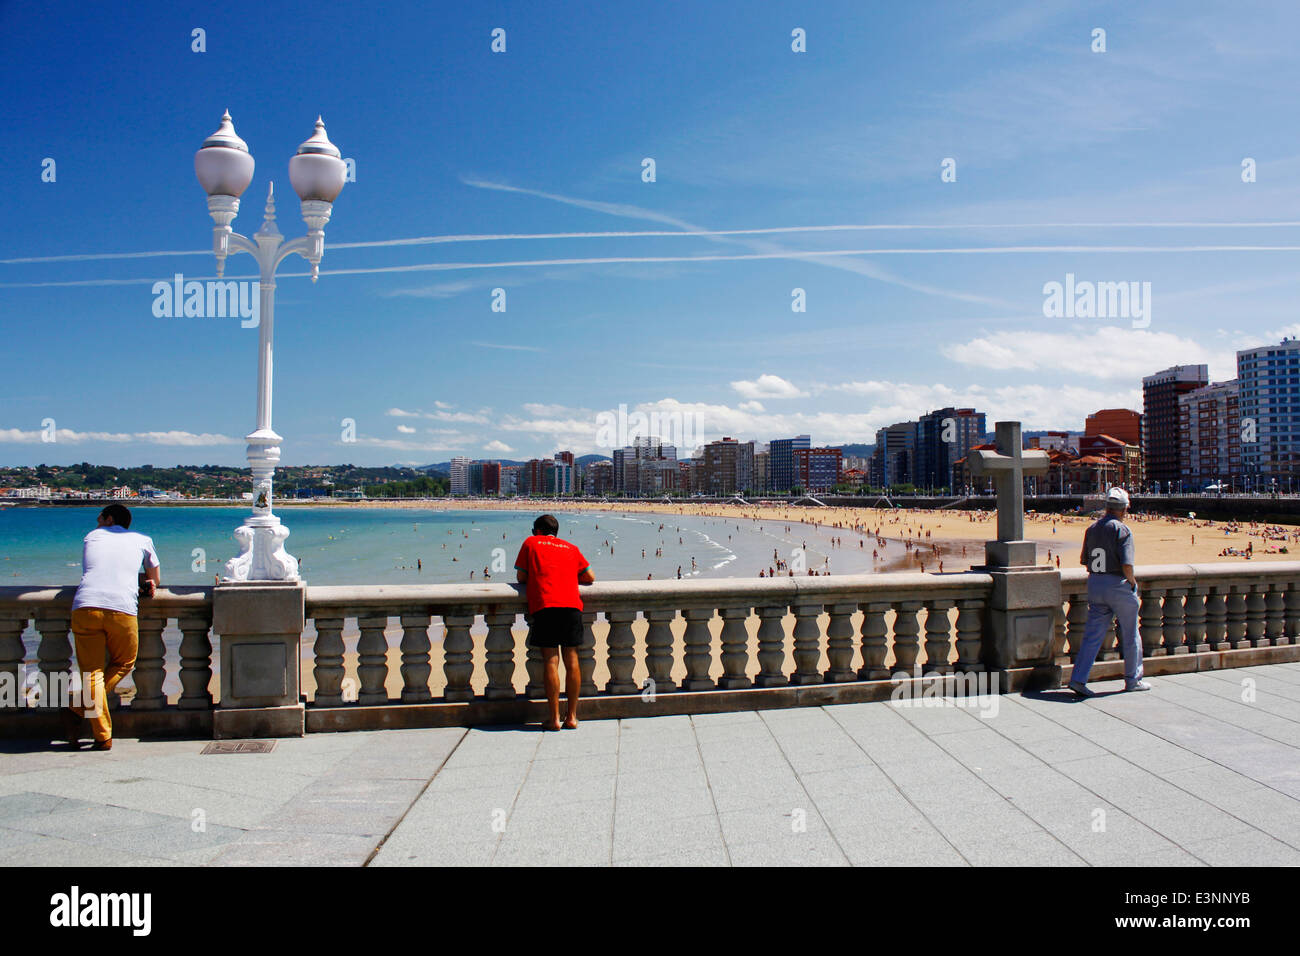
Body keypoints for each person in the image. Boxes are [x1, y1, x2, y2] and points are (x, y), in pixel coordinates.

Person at [62, 504, 160, 750]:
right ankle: (82, 711)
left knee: (91, 673)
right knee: (125, 661)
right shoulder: (143, 540)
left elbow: (95, 568)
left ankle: (101, 733)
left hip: (85, 606)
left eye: (99, 517)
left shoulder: (92, 536)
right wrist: (143, 581)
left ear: (109, 518)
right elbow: (154, 579)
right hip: (121, 607)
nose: (96, 522)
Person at [514, 514, 594, 730]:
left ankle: (555, 718)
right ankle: (572, 717)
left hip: (545, 604)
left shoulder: (531, 543)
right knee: (572, 659)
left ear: (538, 531)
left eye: (533, 530)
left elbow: (521, 577)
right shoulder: (571, 548)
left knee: (551, 660)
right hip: (571, 605)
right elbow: (590, 576)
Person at [1068, 487, 1149, 697]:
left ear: (1107, 507)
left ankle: (1078, 678)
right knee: (1131, 634)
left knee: (1092, 636)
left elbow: (1085, 560)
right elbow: (1127, 565)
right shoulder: (1122, 530)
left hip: (1096, 583)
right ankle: (1133, 680)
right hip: (1117, 584)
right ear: (1123, 509)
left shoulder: (1092, 529)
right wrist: (1132, 583)